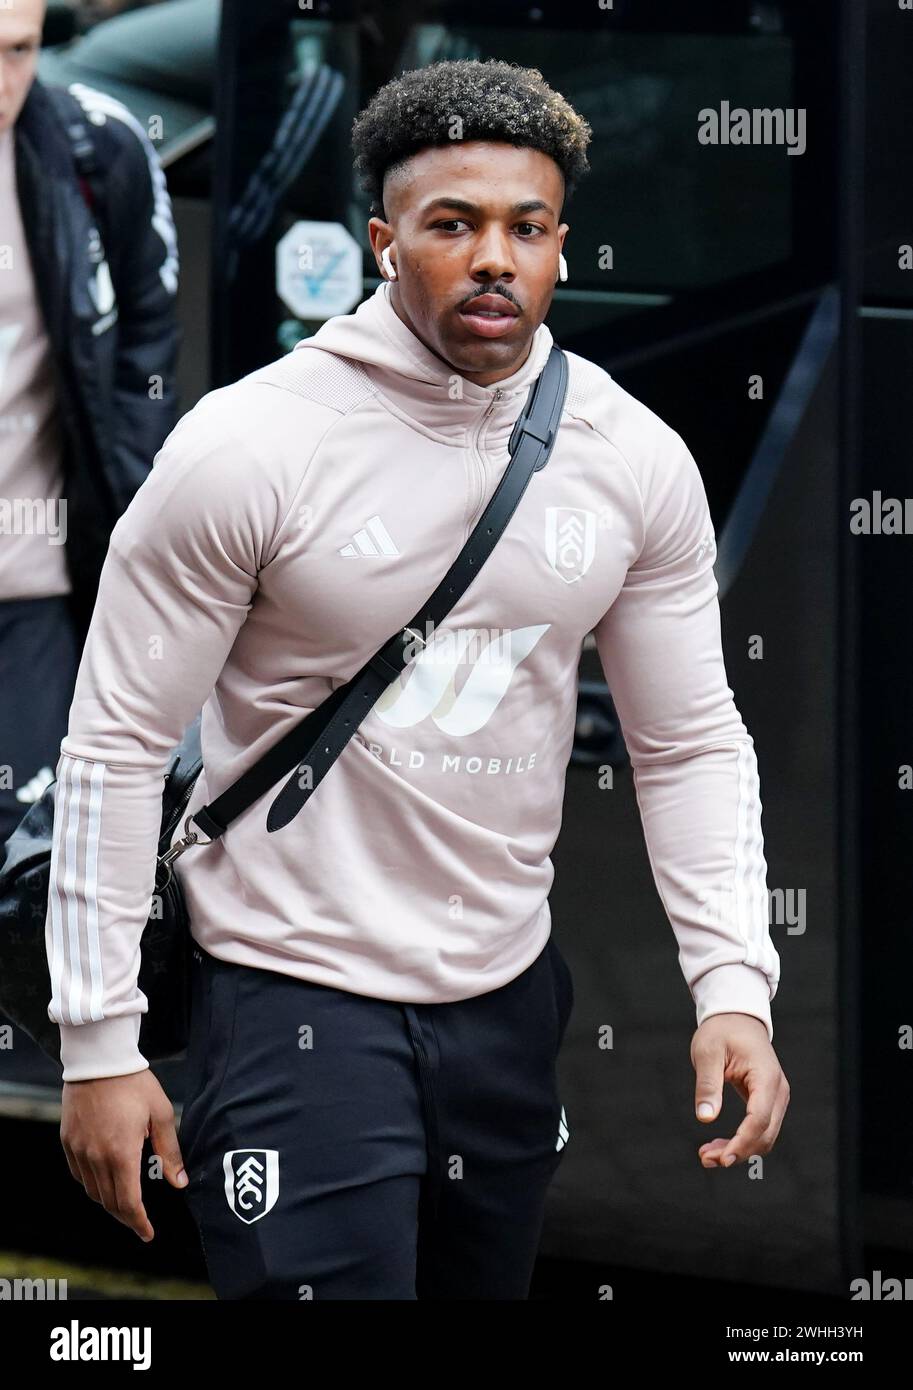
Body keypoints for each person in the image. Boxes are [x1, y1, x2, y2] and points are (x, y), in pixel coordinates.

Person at [50, 58, 788, 1300]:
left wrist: (733, 984)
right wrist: (97, 1041)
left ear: (561, 244)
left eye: (526, 227)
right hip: (294, 996)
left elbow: (690, 740)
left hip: (505, 998)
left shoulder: (631, 457)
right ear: (387, 242)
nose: (494, 257)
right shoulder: (249, 446)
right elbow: (115, 743)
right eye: (453, 225)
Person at [0, 0, 179, 843]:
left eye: (18, 49)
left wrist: (127, 487)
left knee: (27, 838)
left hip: (34, 571)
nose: (1, 80)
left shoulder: (93, 146)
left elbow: (149, 328)